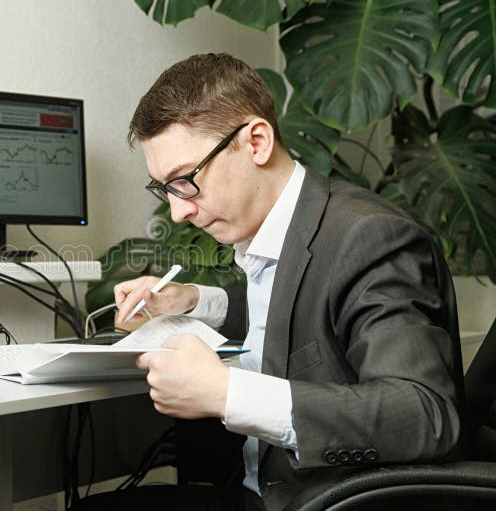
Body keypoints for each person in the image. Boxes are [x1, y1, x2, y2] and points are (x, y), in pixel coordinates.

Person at [80, 54, 464, 510]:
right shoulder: (285, 234)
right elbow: (297, 309)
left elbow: (423, 413)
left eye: (184, 181)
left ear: (257, 142)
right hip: (257, 491)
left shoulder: (370, 236)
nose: (178, 211)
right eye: (165, 189)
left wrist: (227, 393)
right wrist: (192, 301)